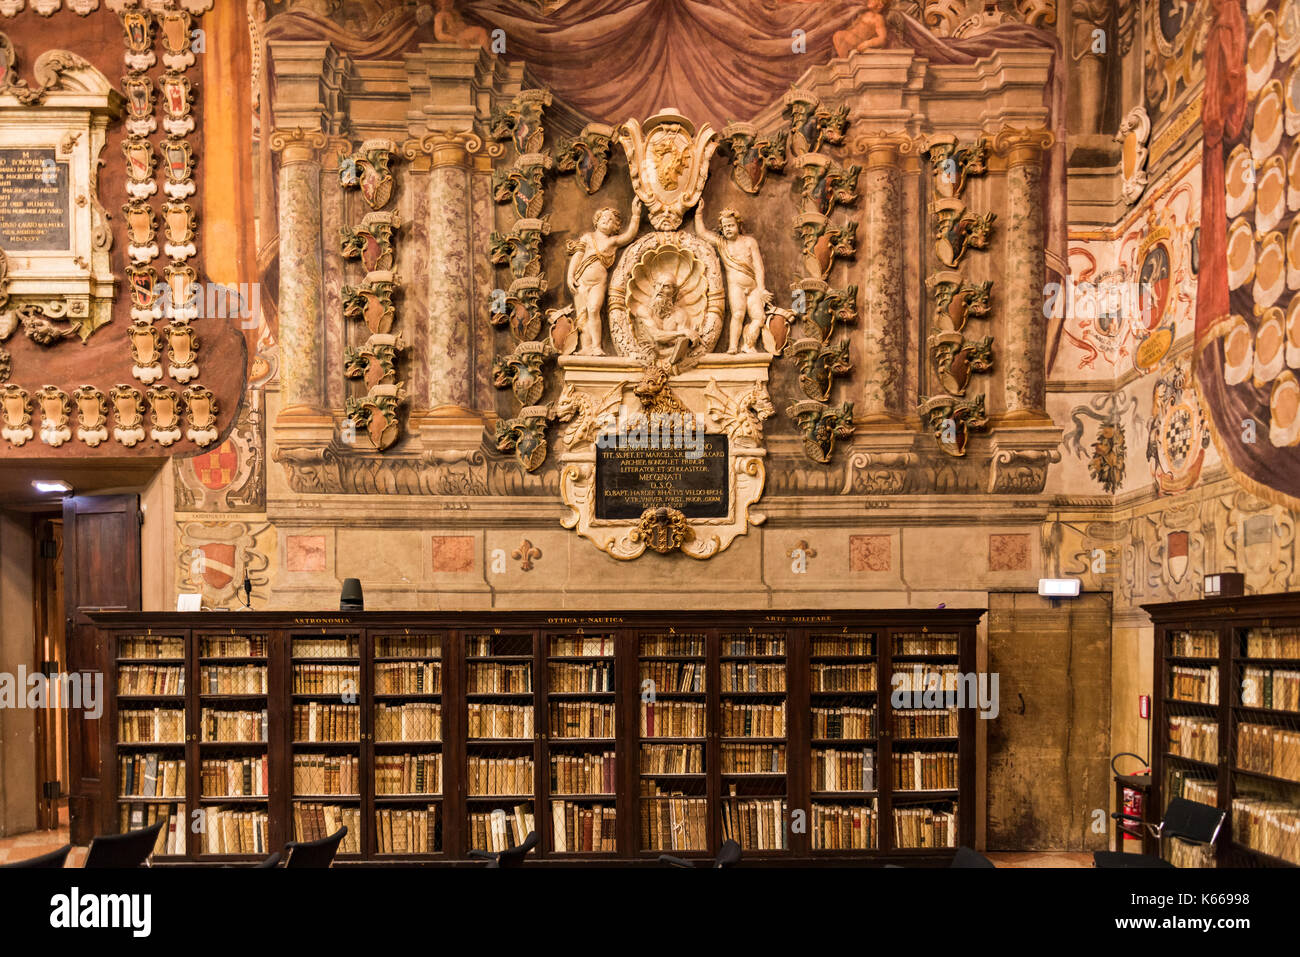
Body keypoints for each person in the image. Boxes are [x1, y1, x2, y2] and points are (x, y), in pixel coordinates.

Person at [566, 200, 642, 355]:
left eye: (611, 221)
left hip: (598, 282)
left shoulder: (612, 241)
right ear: (597, 221)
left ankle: (597, 346)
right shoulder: (587, 237)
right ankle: (585, 347)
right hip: (581, 280)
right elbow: (578, 255)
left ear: (615, 227)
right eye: (604, 219)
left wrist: (636, 215)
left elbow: (629, 235)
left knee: (593, 309)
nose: (606, 222)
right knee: (582, 314)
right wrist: (570, 275)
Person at [694, 201, 770, 353]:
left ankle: (748, 345)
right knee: (738, 314)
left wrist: (761, 289)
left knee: (759, 318)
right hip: (736, 286)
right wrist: (698, 214)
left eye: (730, 225)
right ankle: (733, 346)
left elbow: (758, 266)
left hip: (753, 286)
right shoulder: (722, 243)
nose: (727, 229)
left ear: (738, 225)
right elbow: (702, 233)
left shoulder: (749, 242)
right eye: (725, 226)